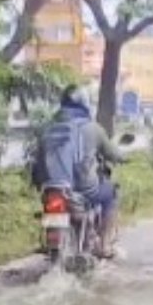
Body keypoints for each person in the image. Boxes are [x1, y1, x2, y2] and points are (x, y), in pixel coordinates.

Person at [32, 85, 127, 258]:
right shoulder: (93, 128)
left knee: (49, 205)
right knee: (112, 194)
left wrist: (40, 183)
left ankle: (52, 240)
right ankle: (105, 246)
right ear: (85, 103)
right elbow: (112, 153)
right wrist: (123, 157)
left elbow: (37, 161)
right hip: (84, 189)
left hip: (52, 189)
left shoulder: (47, 127)